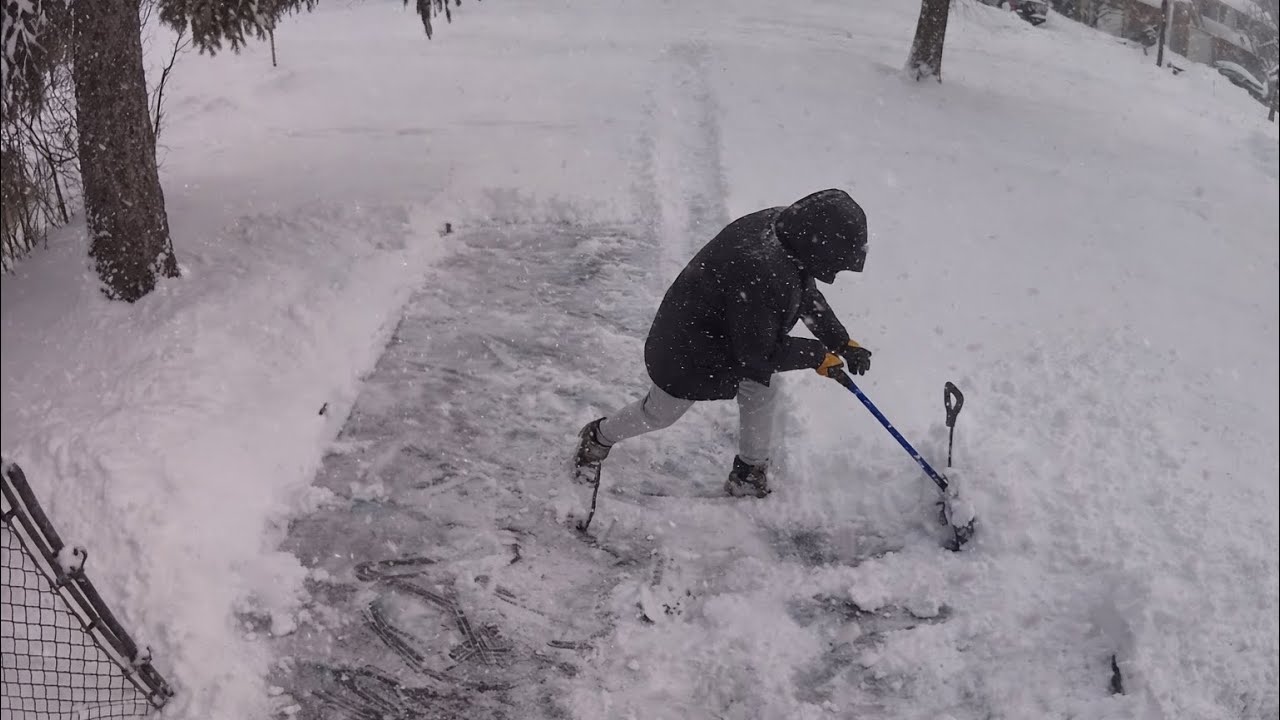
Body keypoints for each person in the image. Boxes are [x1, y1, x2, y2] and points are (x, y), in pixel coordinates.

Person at [572, 188, 872, 498]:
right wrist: (818, 356)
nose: (834, 271)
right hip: (688, 347)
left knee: (761, 389)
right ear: (818, 246)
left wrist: (842, 342)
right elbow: (761, 353)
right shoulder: (762, 267)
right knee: (660, 413)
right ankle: (597, 437)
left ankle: (749, 473)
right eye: (835, 262)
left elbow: (803, 292)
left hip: (731, 336)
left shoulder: (787, 236)